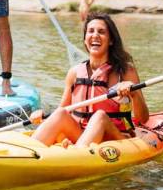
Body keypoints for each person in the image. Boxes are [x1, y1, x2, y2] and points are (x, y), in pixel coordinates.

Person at [31, 12, 149, 148]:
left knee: (99, 116)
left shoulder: (125, 72)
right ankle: (29, 152)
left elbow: (143, 118)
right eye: (90, 31)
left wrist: (133, 93)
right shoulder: (74, 73)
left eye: (101, 32)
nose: (95, 35)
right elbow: (64, 109)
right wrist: (44, 116)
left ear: (111, 40)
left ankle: (76, 156)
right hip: (81, 134)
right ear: (85, 39)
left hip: (114, 138)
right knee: (60, 113)